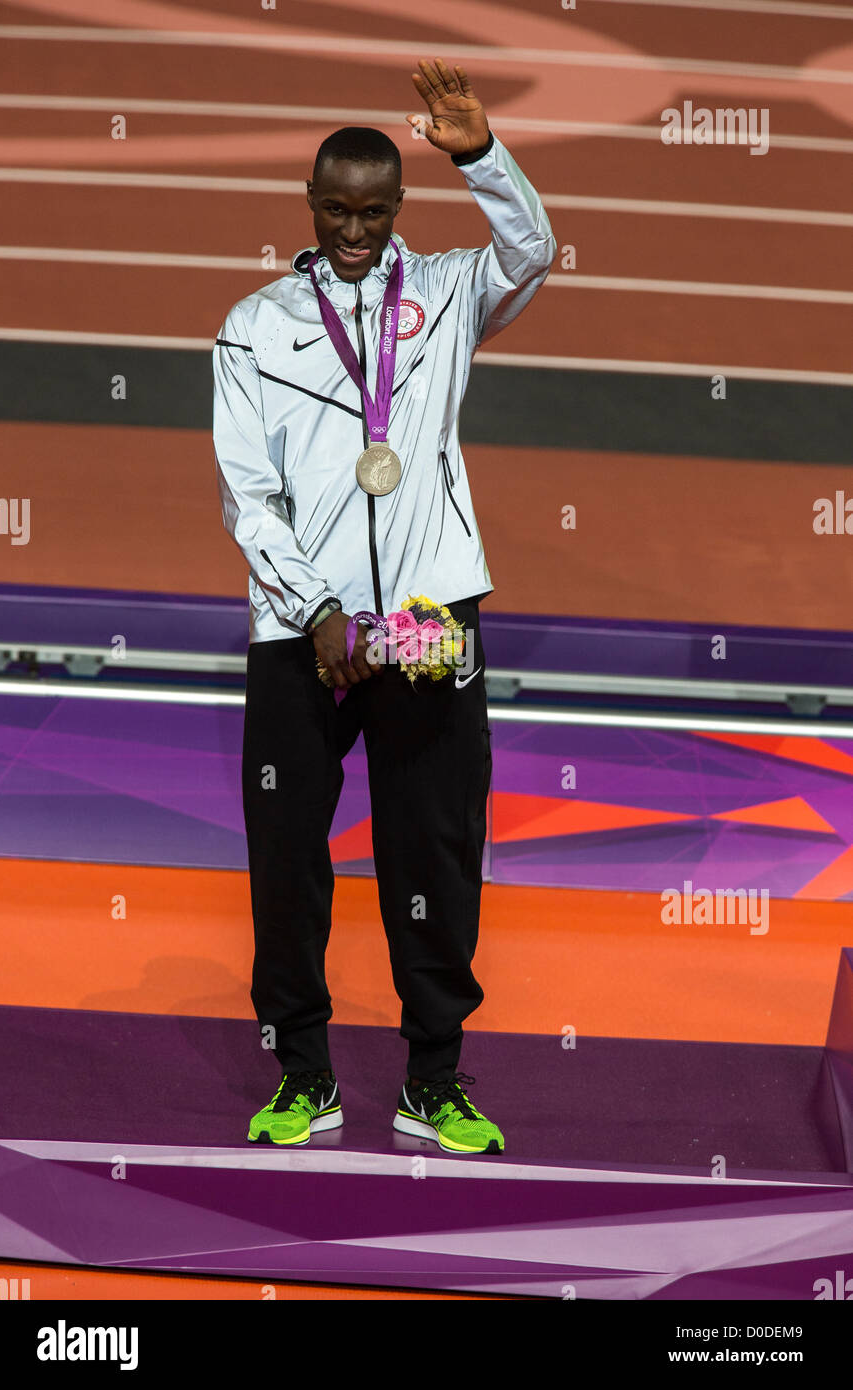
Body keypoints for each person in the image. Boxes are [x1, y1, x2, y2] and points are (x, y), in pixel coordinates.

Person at [213, 58, 555, 1155]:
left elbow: (532, 252)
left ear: (399, 207)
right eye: (335, 209)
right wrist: (316, 611)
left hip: (424, 622)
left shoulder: (451, 294)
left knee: (435, 851)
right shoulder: (254, 326)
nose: (354, 229)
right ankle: (303, 1074)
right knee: (287, 859)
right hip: (299, 636)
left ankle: (433, 1082)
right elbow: (245, 495)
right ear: (309, 206)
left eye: (373, 210)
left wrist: (480, 156)